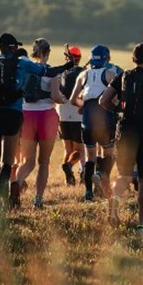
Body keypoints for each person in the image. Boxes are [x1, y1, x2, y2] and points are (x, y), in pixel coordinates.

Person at [99, 43, 143, 229]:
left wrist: (117, 112)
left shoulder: (122, 76)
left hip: (125, 130)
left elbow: (103, 100)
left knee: (124, 175)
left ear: (133, 58)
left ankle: (115, 199)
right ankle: (142, 225)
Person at [0, 33, 48, 212]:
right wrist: (68, 65)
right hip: (13, 113)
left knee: (0, 157)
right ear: (12, 48)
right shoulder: (21, 63)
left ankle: (0, 195)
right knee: (7, 161)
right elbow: (44, 71)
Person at [11, 38, 69, 209]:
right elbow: (56, 96)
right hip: (46, 117)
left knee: (28, 161)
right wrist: (64, 100)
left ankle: (17, 183)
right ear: (47, 52)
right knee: (43, 162)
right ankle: (38, 200)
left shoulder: (25, 69)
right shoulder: (50, 72)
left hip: (27, 115)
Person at [69, 45, 122, 202]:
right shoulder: (110, 74)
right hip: (105, 120)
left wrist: (83, 106)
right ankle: (100, 174)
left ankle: (88, 193)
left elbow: (73, 99)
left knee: (90, 156)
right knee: (109, 153)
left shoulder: (83, 75)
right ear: (107, 58)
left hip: (87, 121)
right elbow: (118, 96)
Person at [56, 45, 84, 186]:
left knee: (68, 149)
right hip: (77, 114)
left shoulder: (61, 73)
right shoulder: (83, 73)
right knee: (80, 150)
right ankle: (71, 166)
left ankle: (69, 180)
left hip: (62, 113)